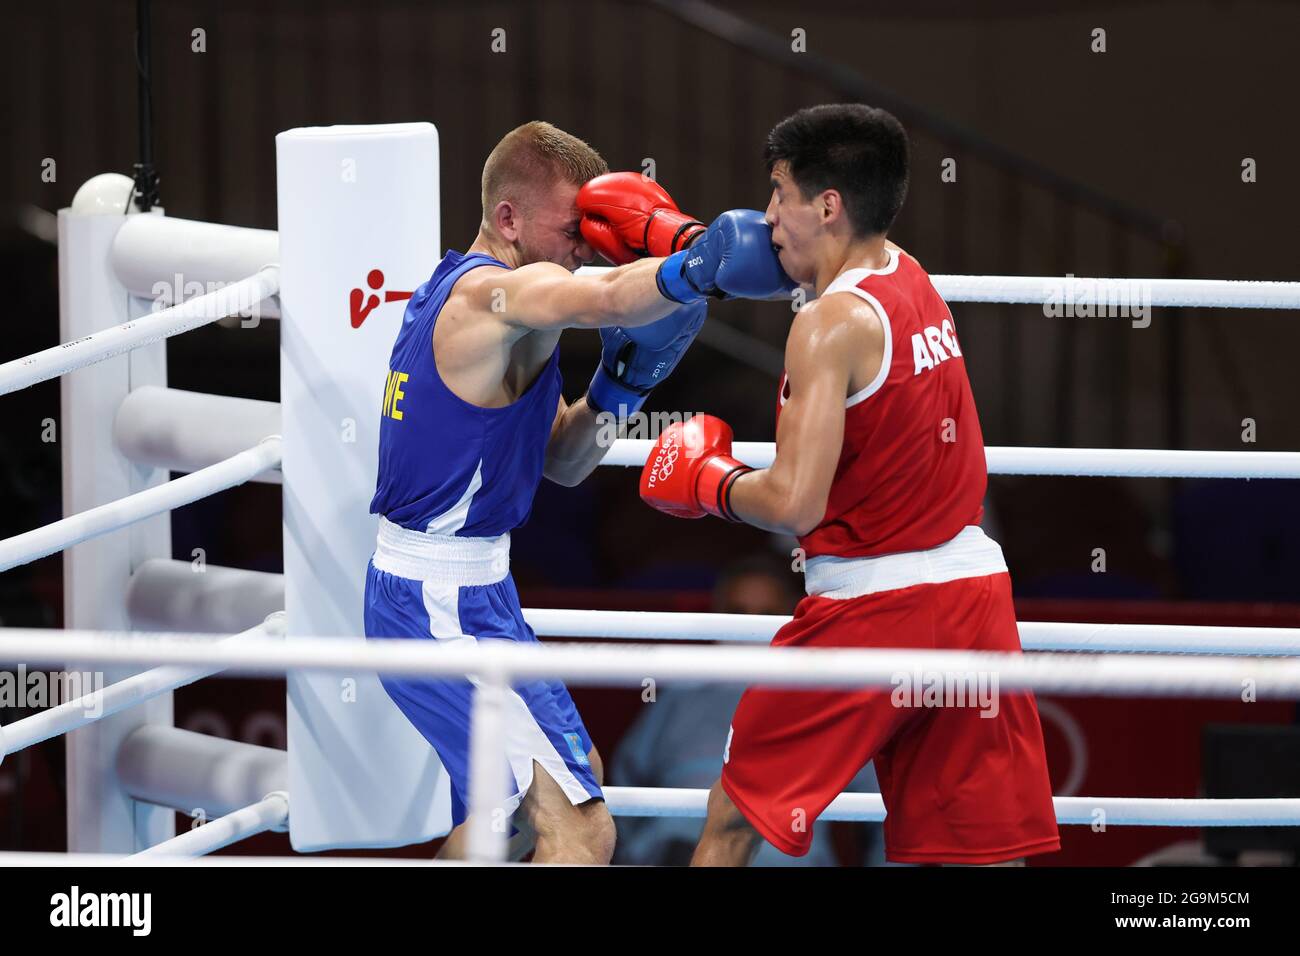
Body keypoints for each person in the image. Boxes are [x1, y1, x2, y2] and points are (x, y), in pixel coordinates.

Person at [638, 104, 1061, 866]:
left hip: (872, 611)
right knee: (976, 853)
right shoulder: (914, 278)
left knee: (735, 818)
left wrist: (708, 482)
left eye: (778, 193)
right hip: (974, 603)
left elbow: (794, 502)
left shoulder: (826, 326)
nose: (767, 219)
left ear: (827, 205)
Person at [362, 121, 794, 863]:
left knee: (532, 808)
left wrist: (623, 387)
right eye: (575, 229)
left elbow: (561, 461)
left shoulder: (523, 317)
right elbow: (612, 301)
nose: (589, 249)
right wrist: (697, 260)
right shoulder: (488, 297)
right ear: (508, 220)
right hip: (435, 600)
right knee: (583, 827)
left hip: (472, 591)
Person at [611, 554, 888, 866]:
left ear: (791, 622)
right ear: (717, 616)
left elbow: (880, 804)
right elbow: (625, 782)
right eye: (738, 613)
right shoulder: (680, 689)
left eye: (766, 615)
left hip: (782, 853)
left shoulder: (821, 697)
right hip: (673, 849)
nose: (750, 627)